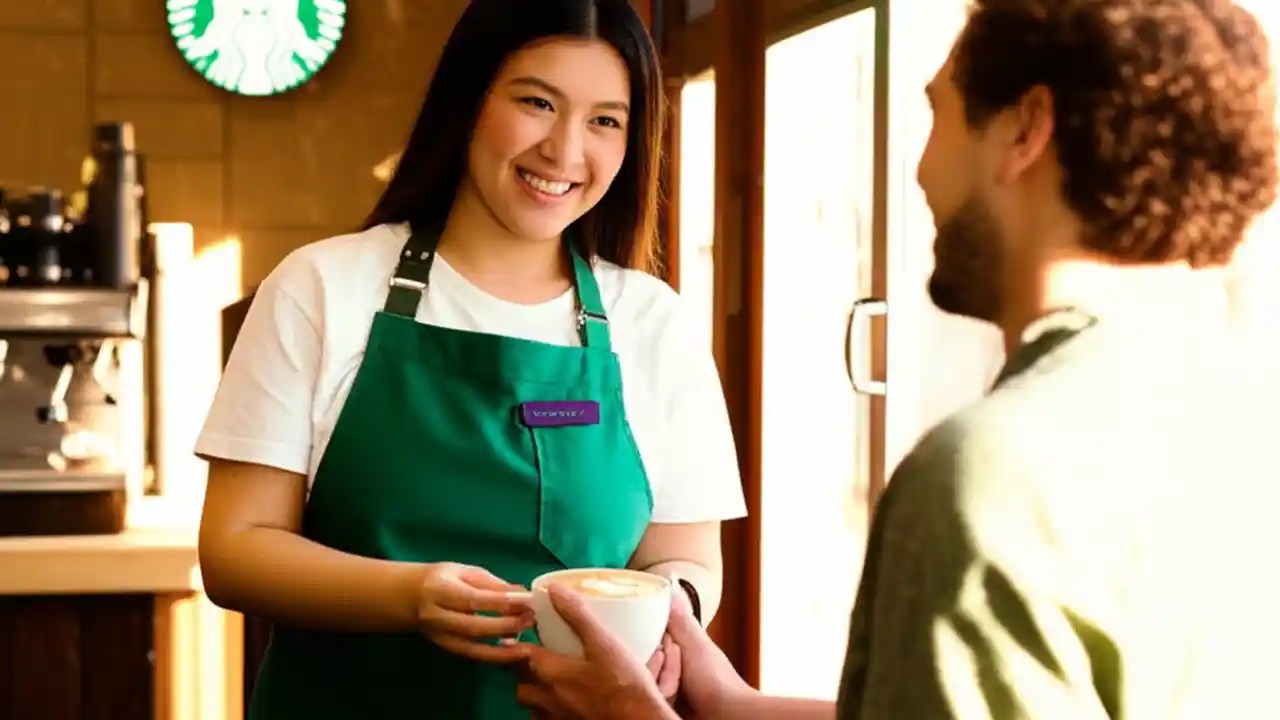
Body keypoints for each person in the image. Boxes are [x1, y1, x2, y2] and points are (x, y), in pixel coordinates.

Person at [514, 0, 1280, 717]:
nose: (919, 172)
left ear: (1026, 132)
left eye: (936, 115)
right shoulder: (1229, 414)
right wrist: (727, 702)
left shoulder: (991, 477)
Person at [194, 1, 746, 718]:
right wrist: (408, 597)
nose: (565, 151)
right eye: (537, 102)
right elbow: (236, 549)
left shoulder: (654, 323)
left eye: (605, 120)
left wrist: (669, 623)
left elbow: (687, 560)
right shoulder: (321, 287)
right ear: (468, 101)